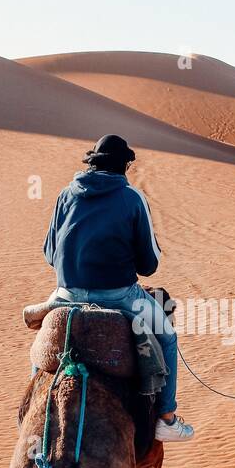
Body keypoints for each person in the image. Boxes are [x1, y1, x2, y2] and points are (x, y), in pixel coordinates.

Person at [43, 134, 193, 441]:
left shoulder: (65, 195)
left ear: (92, 164)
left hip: (66, 295)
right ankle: (166, 418)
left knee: (43, 343)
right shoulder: (132, 198)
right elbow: (148, 265)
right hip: (120, 296)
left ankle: (33, 408)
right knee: (167, 335)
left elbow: (49, 253)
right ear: (124, 166)